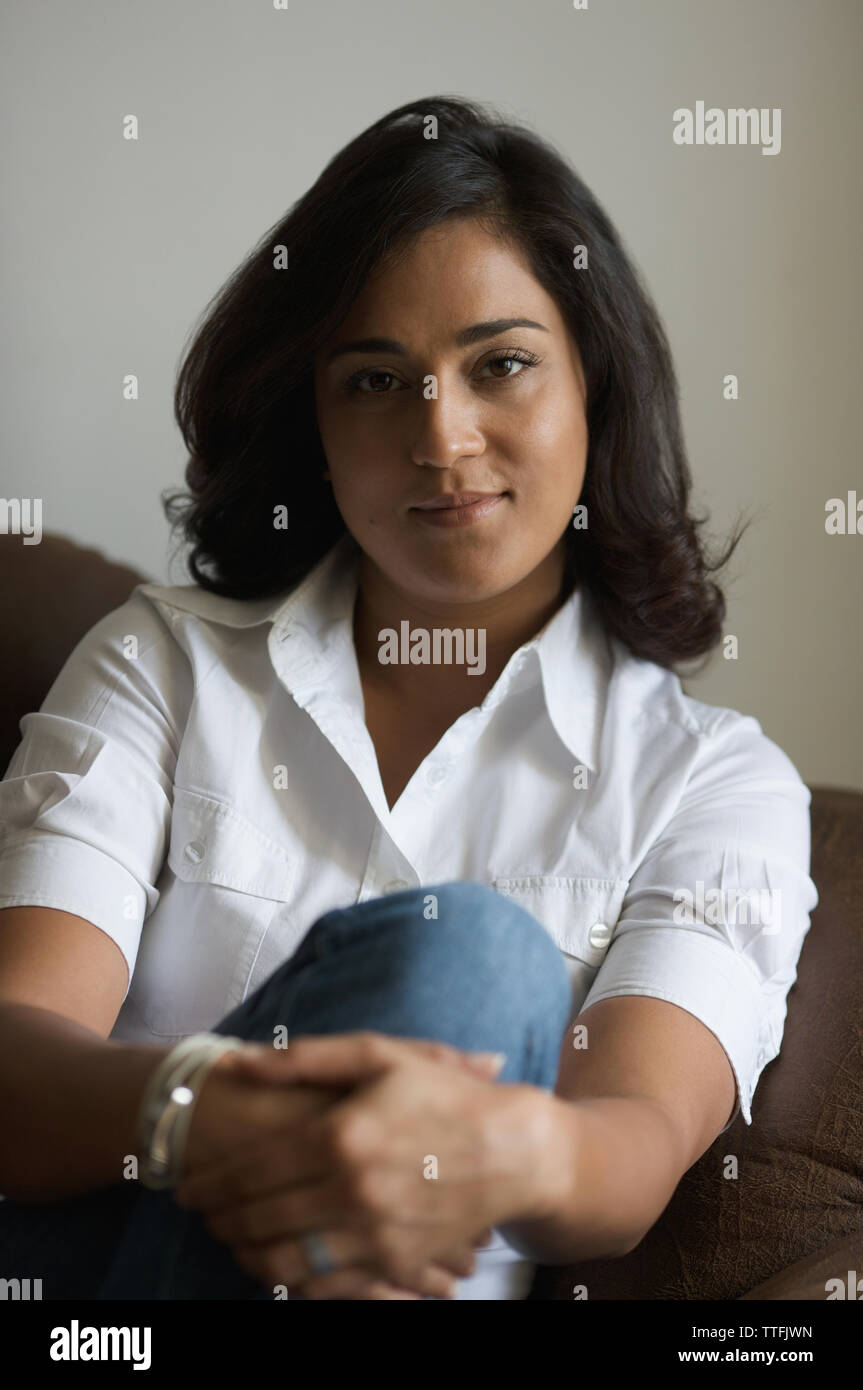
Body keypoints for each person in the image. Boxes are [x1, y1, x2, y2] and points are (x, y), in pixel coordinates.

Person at [0, 95, 818, 1301]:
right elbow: (16, 1058)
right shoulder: (160, 666)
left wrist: (476, 1148)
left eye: (500, 365)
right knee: (479, 954)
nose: (441, 437)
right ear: (315, 426)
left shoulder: (713, 780)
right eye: (377, 382)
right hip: (106, 1281)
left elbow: (628, 1153)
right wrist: (219, 1110)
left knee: (472, 963)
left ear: (594, 386)